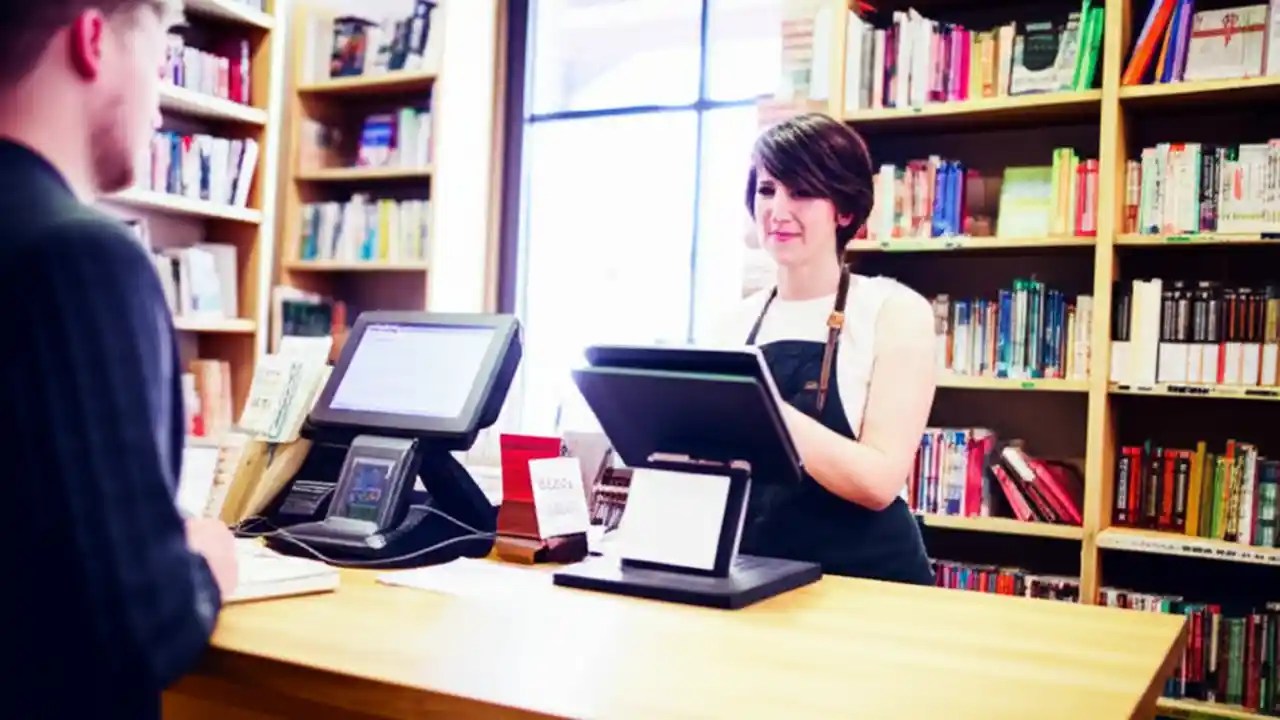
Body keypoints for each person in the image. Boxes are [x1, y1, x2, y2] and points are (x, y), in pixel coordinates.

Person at [0, 2, 239, 717]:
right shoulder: (79, 259)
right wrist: (208, 563)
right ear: (93, 39)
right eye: (162, 53)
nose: (161, 108)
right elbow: (132, 633)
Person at [714, 112, 936, 585]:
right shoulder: (732, 324)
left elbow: (878, 482)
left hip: (870, 582)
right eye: (767, 189)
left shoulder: (894, 312)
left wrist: (759, 409)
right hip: (756, 576)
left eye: (803, 191)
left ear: (845, 210)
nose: (778, 209)